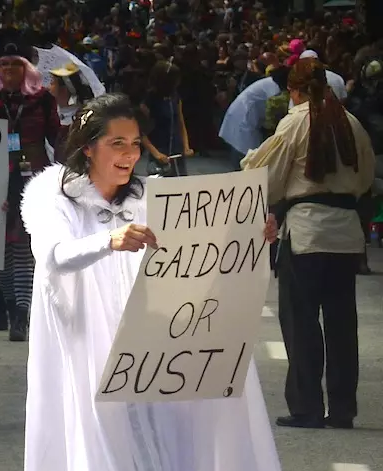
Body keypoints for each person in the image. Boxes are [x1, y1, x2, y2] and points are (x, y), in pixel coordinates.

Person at [21, 93, 281, 471]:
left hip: (152, 345)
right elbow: (54, 256)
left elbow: (201, 246)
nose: (129, 154)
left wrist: (252, 232)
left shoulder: (149, 195)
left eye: (135, 144)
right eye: (117, 144)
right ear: (89, 148)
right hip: (89, 342)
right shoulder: (54, 195)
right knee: (105, 440)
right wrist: (108, 241)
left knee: (168, 435)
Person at [242, 58, 375, 429]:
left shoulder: (295, 121)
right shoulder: (352, 124)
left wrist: (251, 164)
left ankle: (307, 407)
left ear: (294, 90)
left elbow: (267, 177)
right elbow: (365, 179)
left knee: (301, 323)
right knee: (341, 323)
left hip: (306, 233)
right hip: (346, 234)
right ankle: (343, 408)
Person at [0, 28, 60, 341]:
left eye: (16, 65)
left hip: (33, 176)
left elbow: (57, 139)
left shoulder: (42, 101)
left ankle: (22, 315)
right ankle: (11, 307)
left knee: (24, 247)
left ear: (27, 68)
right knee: (1, 251)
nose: (10, 70)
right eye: (5, 65)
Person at [141, 60, 193, 177]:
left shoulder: (175, 97)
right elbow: (141, 132)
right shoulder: (149, 101)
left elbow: (180, 123)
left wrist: (186, 146)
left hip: (177, 152)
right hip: (159, 152)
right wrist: (156, 153)